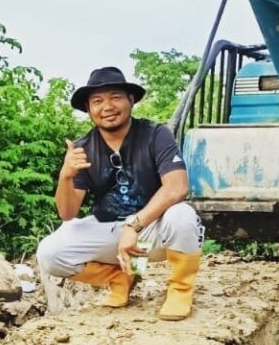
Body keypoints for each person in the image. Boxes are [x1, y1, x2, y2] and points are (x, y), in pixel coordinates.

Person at [36, 66, 204, 320]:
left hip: (151, 229)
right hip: (109, 229)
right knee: (49, 253)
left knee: (182, 216)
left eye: (115, 97)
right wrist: (66, 175)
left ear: (131, 100)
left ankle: (180, 290)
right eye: (97, 101)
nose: (107, 107)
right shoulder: (83, 148)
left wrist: (133, 226)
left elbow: (177, 186)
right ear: (88, 109)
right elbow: (67, 212)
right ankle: (120, 278)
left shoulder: (156, 134)